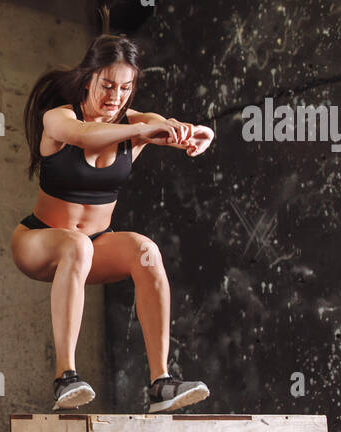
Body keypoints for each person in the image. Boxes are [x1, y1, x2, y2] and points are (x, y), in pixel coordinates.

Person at [11, 34, 214, 412]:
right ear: (88, 80)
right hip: (39, 241)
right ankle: (65, 376)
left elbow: (175, 129)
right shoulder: (59, 118)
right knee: (76, 244)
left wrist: (199, 134)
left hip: (94, 246)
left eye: (125, 88)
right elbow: (84, 136)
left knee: (146, 252)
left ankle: (160, 383)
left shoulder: (137, 124)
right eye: (107, 86)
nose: (115, 97)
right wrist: (140, 130)